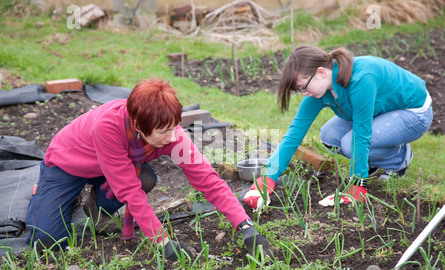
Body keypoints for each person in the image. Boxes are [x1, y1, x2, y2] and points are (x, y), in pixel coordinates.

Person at [25, 77, 272, 260]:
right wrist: (163, 242)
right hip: (69, 165)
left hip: (109, 167)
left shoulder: (172, 135)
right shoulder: (108, 127)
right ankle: (53, 196)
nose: (172, 136)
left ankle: (94, 204)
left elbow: (208, 181)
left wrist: (245, 226)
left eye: (174, 127)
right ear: (138, 126)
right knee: (46, 242)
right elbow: (130, 192)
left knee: (144, 178)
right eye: (164, 132)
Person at [244, 44, 432, 209]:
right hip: (380, 111)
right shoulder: (320, 90)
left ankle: (398, 159)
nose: (303, 94)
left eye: (303, 87)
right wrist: (266, 180)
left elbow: (362, 133)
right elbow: (294, 135)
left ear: (320, 73)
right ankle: (373, 162)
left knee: (351, 143)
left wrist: (357, 185)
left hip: (414, 113)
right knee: (329, 135)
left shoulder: (361, 79)